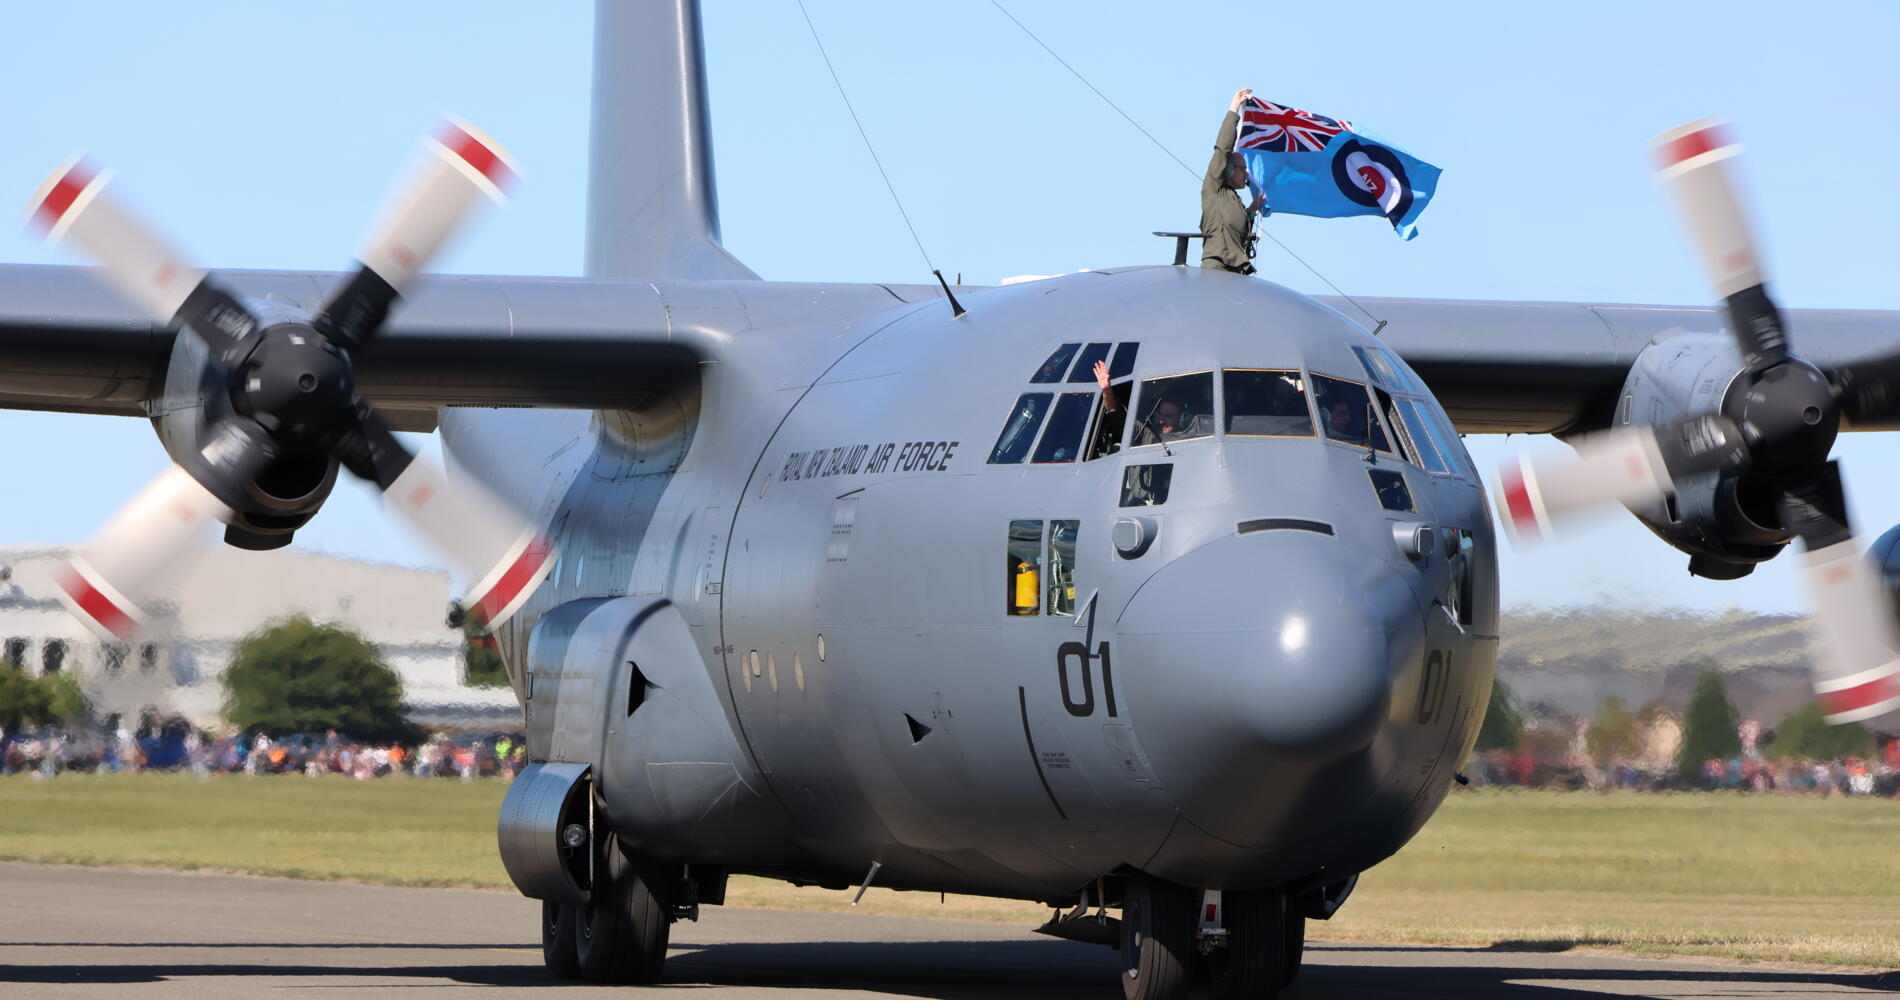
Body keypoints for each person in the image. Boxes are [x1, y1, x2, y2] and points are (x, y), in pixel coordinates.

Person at [1202, 88, 1268, 274]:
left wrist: (1253, 210)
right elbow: (1223, 149)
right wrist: (1234, 109)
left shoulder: (1233, 199)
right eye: (1242, 169)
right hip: (1218, 268)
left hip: (1236, 268)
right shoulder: (1215, 188)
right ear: (1229, 169)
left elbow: (1234, 229)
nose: (1246, 175)